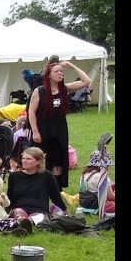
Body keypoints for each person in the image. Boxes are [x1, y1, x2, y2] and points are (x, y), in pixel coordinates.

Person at [28, 60, 92, 189]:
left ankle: (56, 186)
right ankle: (40, 183)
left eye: (61, 71)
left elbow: (86, 81)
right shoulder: (39, 91)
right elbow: (31, 111)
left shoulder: (64, 88)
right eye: (56, 71)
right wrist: (35, 131)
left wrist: (72, 66)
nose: (60, 73)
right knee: (41, 157)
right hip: (43, 128)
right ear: (49, 75)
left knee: (58, 157)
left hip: (60, 129)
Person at [6, 146, 66, 224]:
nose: (24, 161)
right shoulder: (14, 176)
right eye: (23, 158)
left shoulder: (47, 176)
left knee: (36, 218)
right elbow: (10, 198)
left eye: (28, 159)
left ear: (38, 161)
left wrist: (67, 213)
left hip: (40, 211)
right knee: (19, 214)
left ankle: (27, 224)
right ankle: (22, 223)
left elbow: (56, 197)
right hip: (20, 208)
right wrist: (5, 214)